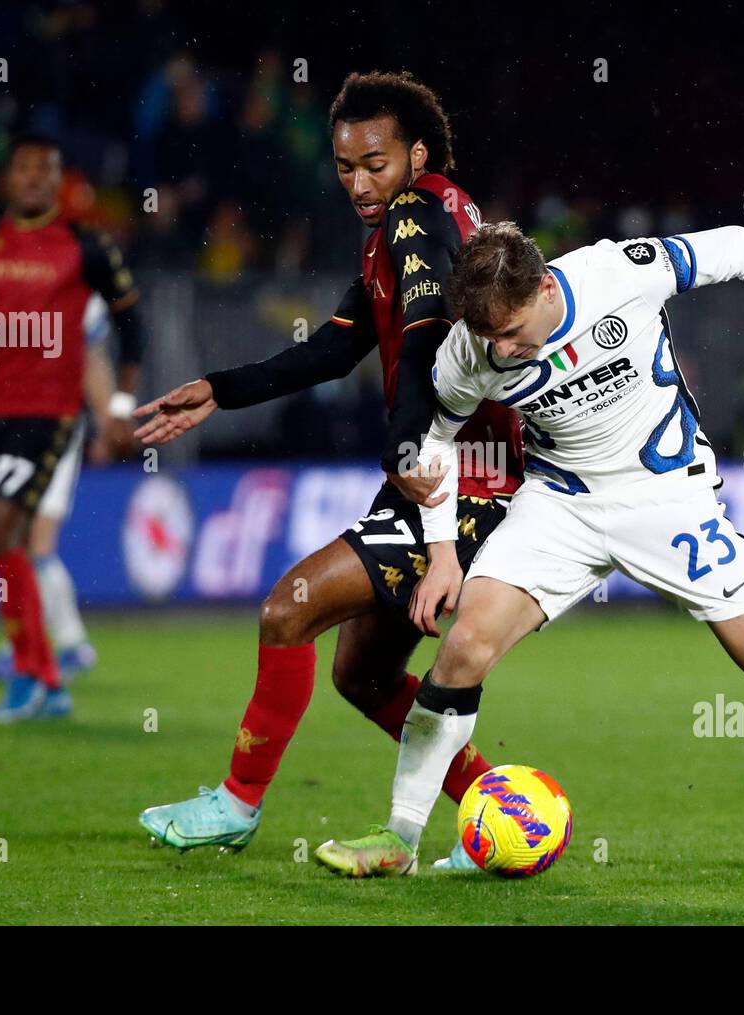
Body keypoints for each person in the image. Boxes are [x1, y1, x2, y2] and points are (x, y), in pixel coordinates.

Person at [315, 222, 744, 878]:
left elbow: (740, 245)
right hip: (562, 503)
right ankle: (400, 838)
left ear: (548, 289)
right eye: (490, 337)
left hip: (665, 497)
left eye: (513, 333)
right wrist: (442, 554)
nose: (502, 351)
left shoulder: (617, 272)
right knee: (464, 644)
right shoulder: (470, 349)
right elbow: (436, 439)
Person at [133, 72, 524, 860]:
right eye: (345, 167)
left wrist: (406, 446)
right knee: (365, 677)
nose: (358, 182)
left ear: (415, 155)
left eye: (374, 163)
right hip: (463, 469)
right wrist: (222, 388)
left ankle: (238, 803)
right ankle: (506, 807)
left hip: (450, 476)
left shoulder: (416, 212)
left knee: (287, 611)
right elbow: (336, 345)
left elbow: (423, 328)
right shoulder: (424, 218)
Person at [0, 133, 144, 722]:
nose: (34, 180)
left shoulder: (85, 247)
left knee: (5, 527)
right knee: (3, 540)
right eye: (23, 170)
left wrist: (116, 410)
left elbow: (131, 325)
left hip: (51, 414)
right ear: (8, 179)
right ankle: (46, 674)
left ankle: (33, 670)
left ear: (58, 180)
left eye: (46, 171)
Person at [0, 292, 117, 684]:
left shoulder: (3, 281)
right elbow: (93, 363)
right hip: (13, 427)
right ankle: (55, 644)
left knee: (33, 541)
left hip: (53, 426)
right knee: (21, 540)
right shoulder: (22, 280)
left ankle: (46, 647)